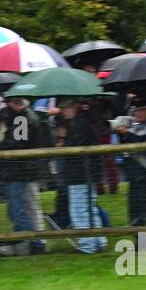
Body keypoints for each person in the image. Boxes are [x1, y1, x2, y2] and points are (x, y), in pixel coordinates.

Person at [0, 96, 48, 256]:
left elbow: (18, 142)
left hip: (19, 170)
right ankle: (25, 242)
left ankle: (34, 240)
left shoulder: (22, 119)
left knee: (16, 209)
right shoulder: (20, 117)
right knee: (20, 207)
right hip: (20, 170)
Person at [55, 99, 106, 253]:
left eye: (66, 108)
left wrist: (63, 139)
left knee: (79, 209)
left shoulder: (78, 124)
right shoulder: (85, 120)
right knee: (90, 207)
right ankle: (99, 240)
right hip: (87, 173)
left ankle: (88, 244)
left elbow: (74, 148)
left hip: (80, 173)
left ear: (74, 107)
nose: (64, 111)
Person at [116, 101, 146, 228]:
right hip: (132, 175)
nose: (139, 113)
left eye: (142, 110)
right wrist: (122, 134)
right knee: (134, 209)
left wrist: (127, 134)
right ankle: (140, 240)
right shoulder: (129, 123)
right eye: (136, 110)